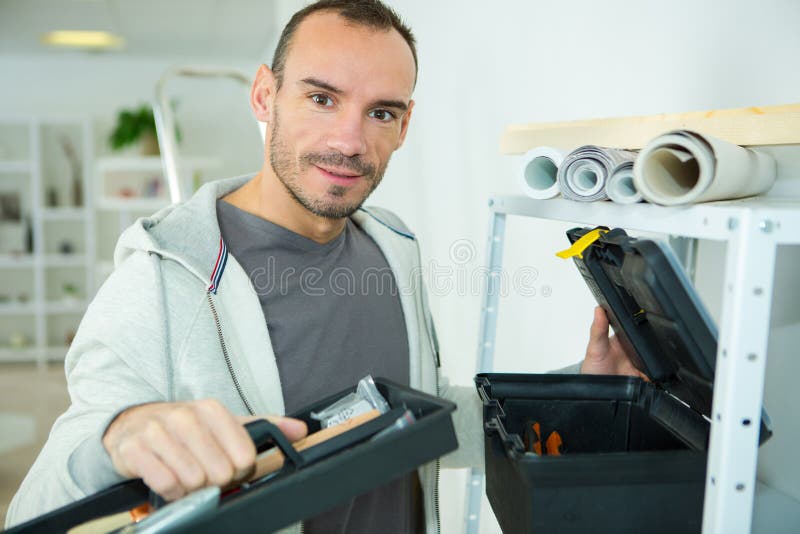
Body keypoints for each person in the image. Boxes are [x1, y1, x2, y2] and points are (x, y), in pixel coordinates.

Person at [6, 1, 639, 531]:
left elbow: (413, 418)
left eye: (381, 112)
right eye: (321, 98)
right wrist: (121, 436)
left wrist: (573, 394)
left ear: (405, 124)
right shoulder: (162, 276)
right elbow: (41, 501)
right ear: (264, 94)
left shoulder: (393, 246)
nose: (349, 142)